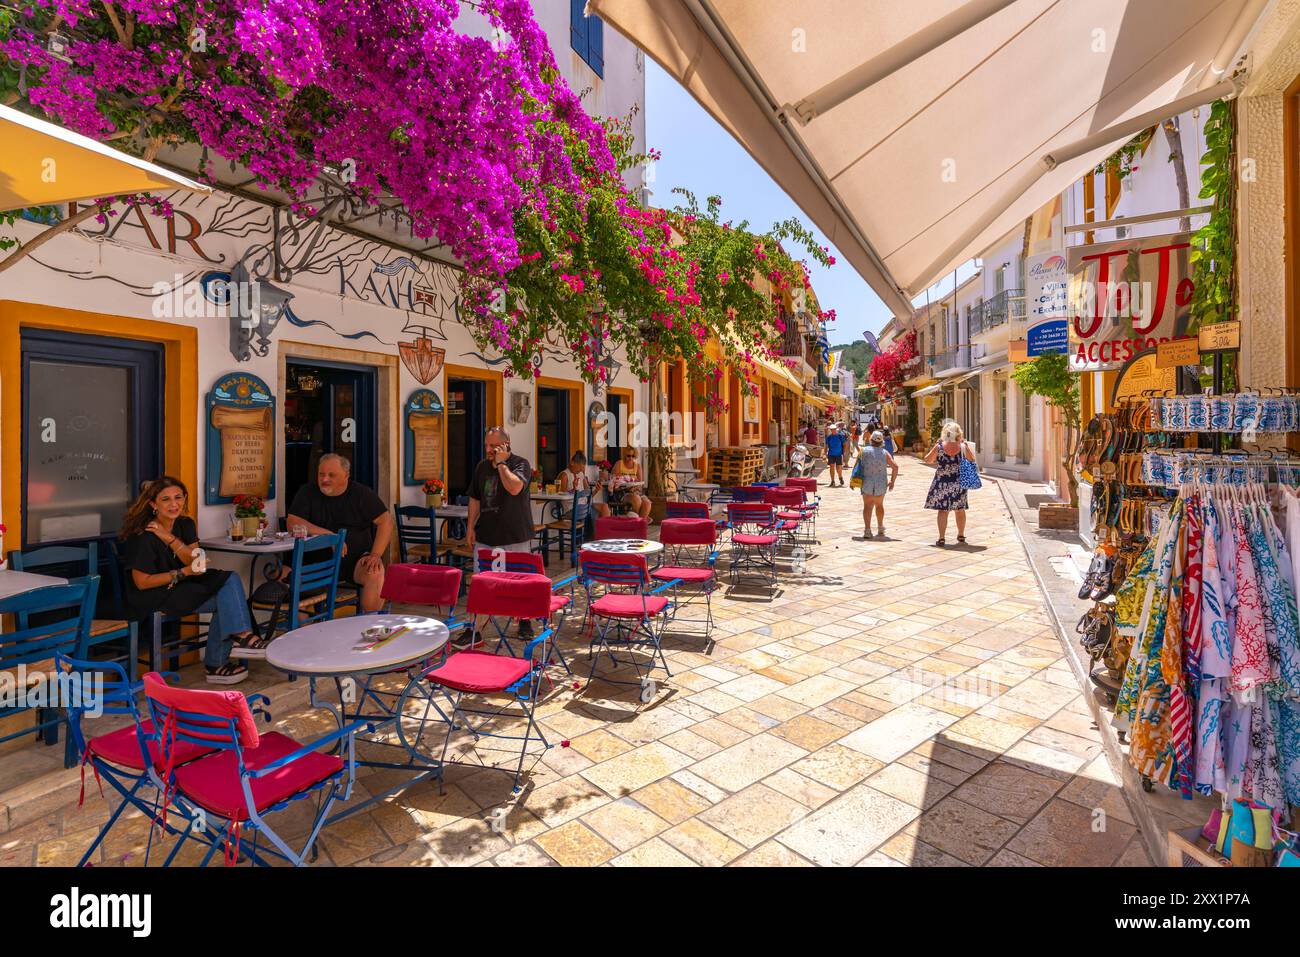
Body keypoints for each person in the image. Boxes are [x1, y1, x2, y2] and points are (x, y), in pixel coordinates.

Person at [119, 477, 253, 684]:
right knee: (226, 596)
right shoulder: (142, 535)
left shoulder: (185, 524)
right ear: (153, 504)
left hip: (182, 587)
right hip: (152, 595)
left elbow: (198, 565)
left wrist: (170, 538)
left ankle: (239, 638)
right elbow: (142, 583)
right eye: (166, 499)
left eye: (178, 497)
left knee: (229, 583)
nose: (174, 504)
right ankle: (221, 659)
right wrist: (183, 572)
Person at [287, 453, 393, 613]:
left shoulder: (361, 494)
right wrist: (329, 535)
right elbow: (293, 523)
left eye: (331, 475)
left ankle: (370, 620)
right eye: (321, 474)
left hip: (354, 560)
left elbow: (386, 522)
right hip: (315, 562)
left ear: (346, 475)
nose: (324, 479)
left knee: (375, 571)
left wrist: (376, 554)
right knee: (281, 574)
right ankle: (308, 633)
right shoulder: (307, 492)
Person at [461, 426, 535, 649]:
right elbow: (475, 498)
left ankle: (524, 621)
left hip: (515, 535)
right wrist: (470, 527)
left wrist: (502, 464)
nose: (488, 449)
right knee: (481, 584)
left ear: (506, 444)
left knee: (520, 581)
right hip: (486, 536)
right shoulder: (482, 467)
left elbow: (514, 488)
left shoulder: (520, 464)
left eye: (493, 446)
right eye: (487, 445)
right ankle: (473, 629)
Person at [923, 420, 977, 547]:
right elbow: (972, 460)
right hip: (959, 482)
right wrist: (964, 445)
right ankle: (961, 534)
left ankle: (941, 538)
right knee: (960, 509)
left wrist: (937, 446)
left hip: (942, 482)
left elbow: (928, 460)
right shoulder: (962, 446)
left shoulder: (940, 446)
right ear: (958, 433)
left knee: (942, 510)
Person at [851, 431, 899, 539]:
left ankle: (867, 531)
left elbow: (855, 466)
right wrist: (892, 481)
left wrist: (853, 481)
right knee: (879, 505)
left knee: (867, 507)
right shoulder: (885, 453)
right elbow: (895, 467)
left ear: (871, 440)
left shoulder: (863, 451)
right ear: (882, 441)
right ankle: (880, 528)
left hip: (867, 482)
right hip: (881, 483)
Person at [558, 449, 610, 518]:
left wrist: (596, 490)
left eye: (581, 470)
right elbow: (562, 496)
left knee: (605, 507)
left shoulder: (581, 474)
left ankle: (603, 528)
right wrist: (573, 489)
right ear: (572, 463)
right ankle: (593, 527)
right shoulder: (564, 475)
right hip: (572, 508)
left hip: (585, 505)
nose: (579, 472)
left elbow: (588, 495)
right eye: (578, 469)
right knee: (593, 514)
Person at [610, 446, 652, 520]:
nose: (631, 458)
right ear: (624, 455)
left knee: (647, 503)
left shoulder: (637, 466)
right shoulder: (619, 464)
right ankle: (637, 523)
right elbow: (614, 480)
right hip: (621, 493)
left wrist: (634, 488)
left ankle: (639, 524)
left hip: (635, 492)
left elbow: (640, 484)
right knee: (637, 500)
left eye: (633, 456)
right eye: (628, 456)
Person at [824, 422, 847, 487]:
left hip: (839, 454)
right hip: (831, 454)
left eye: (834, 429)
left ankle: (840, 477)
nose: (833, 430)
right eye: (831, 429)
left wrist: (844, 452)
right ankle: (832, 481)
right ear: (830, 430)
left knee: (838, 468)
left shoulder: (840, 436)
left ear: (836, 429)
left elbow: (844, 444)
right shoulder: (829, 437)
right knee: (831, 467)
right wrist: (824, 454)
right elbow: (826, 446)